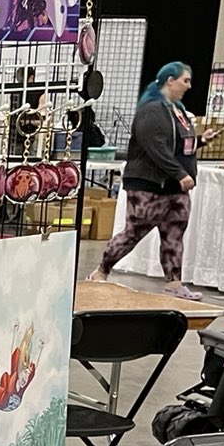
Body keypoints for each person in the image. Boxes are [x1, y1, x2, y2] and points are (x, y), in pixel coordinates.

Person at [88, 61, 215, 301]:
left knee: (174, 235)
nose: (189, 86)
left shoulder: (177, 110)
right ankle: (101, 271)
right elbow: (155, 145)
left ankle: (174, 283)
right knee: (134, 232)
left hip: (173, 188)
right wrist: (180, 173)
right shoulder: (151, 109)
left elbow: (177, 144)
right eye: (185, 80)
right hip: (148, 185)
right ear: (170, 80)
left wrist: (201, 140)